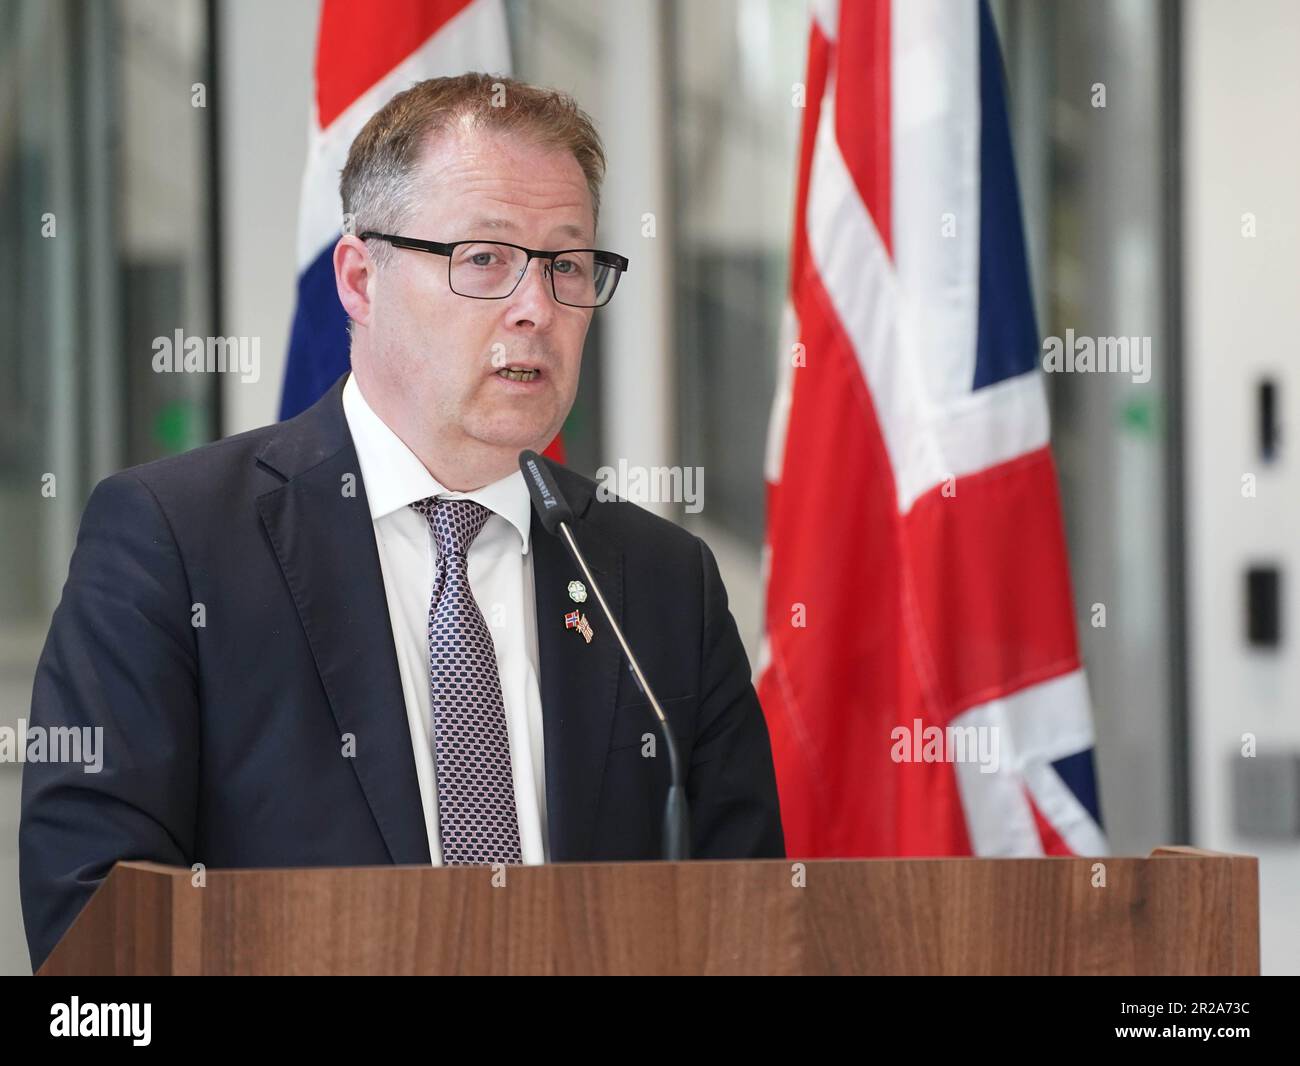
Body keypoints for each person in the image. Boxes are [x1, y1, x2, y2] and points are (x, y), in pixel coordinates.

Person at [19, 73, 784, 972]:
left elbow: (753, 923)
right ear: (359, 278)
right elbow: (96, 933)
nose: (536, 308)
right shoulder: (175, 546)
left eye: (566, 265)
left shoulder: (658, 583)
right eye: (485, 258)